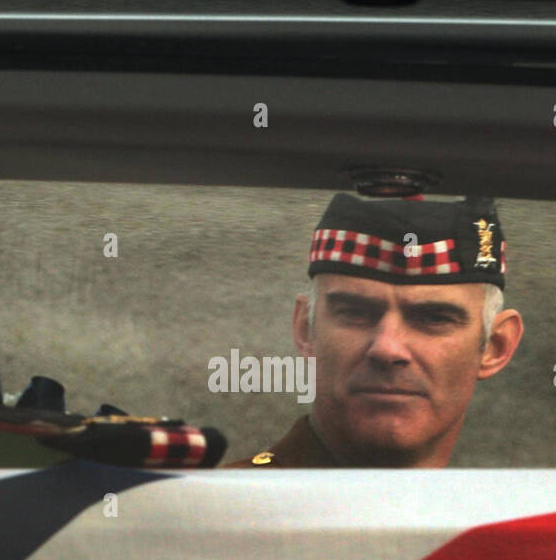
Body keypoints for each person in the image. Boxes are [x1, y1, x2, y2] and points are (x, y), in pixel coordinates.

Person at [223, 192, 523, 468]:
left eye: (434, 319)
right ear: (306, 330)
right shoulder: (215, 515)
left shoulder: (507, 520)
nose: (387, 348)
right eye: (354, 313)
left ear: (495, 347)